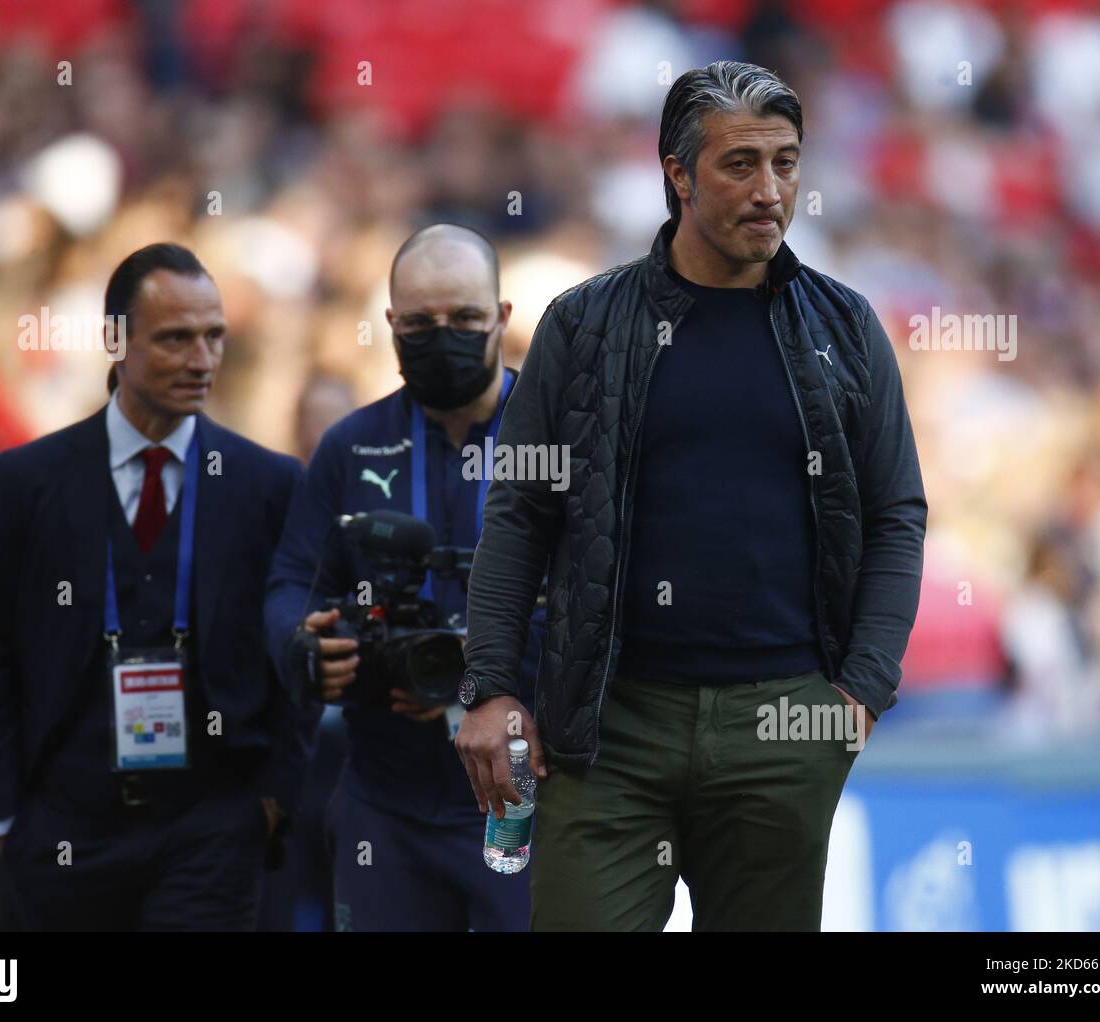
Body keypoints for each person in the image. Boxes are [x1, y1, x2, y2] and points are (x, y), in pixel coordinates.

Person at [457, 61, 928, 931]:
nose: (770, 191)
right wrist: (489, 685)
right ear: (677, 173)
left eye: (786, 163)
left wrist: (860, 689)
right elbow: (520, 511)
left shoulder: (847, 327)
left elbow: (896, 515)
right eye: (739, 165)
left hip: (786, 725)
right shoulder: (583, 325)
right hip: (606, 728)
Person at [0, 243, 310, 930]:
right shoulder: (27, 483)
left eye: (214, 337)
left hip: (212, 827)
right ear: (114, 342)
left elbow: (294, 651)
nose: (202, 360)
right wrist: (4, 816)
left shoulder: (269, 485)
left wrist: (271, 801)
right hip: (64, 829)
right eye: (176, 339)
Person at [266, 223, 542, 931]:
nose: (441, 335)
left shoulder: (560, 443)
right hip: (384, 802)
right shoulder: (349, 446)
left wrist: (493, 681)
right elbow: (293, 581)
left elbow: (611, 605)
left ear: (502, 318)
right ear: (389, 323)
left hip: (527, 797)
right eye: (419, 322)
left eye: (465, 319)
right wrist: (304, 645)